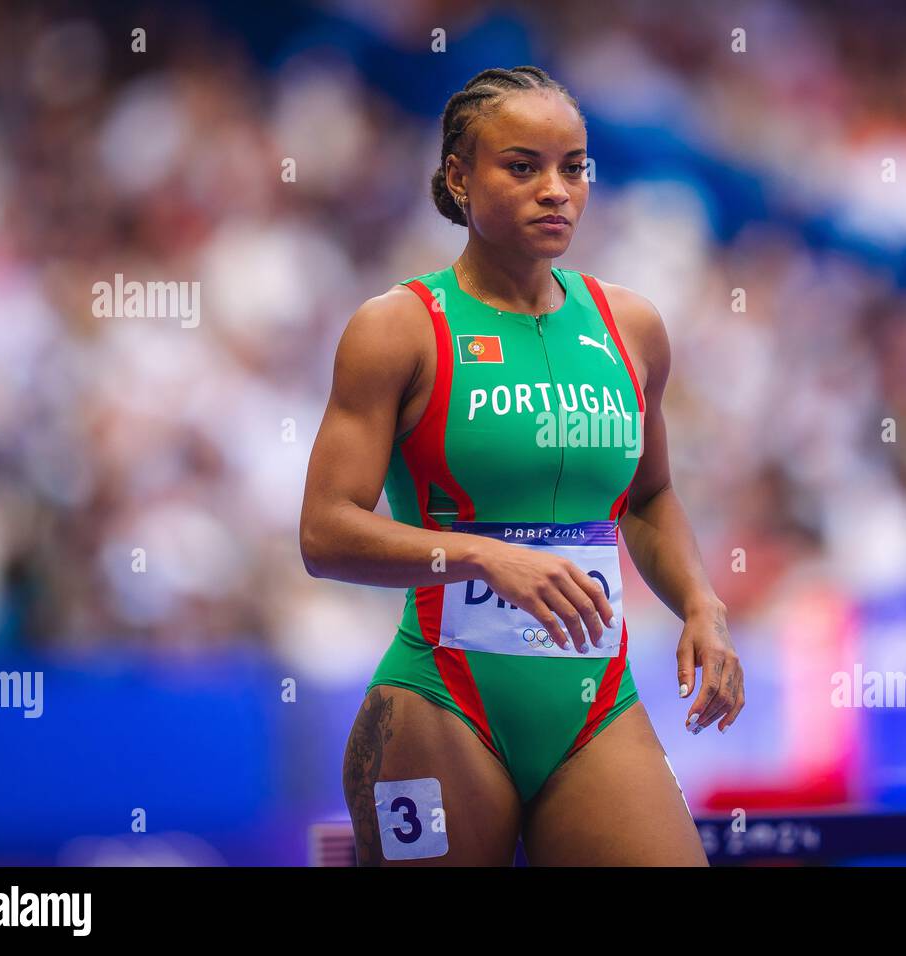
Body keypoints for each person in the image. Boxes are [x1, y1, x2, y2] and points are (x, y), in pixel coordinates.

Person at [300, 65, 742, 866]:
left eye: (574, 167)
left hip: (595, 703)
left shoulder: (630, 326)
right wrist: (479, 553)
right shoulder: (397, 328)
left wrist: (701, 606)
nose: (556, 190)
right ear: (459, 177)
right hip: (444, 699)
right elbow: (325, 534)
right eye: (523, 166)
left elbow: (650, 498)